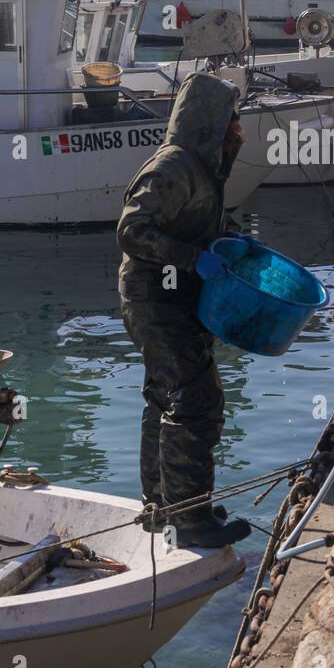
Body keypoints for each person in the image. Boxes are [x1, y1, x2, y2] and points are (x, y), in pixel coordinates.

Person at [117, 72, 251, 548]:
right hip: (154, 297)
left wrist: (228, 238)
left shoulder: (204, 165)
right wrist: (196, 259)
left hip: (177, 296)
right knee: (196, 399)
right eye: (232, 121)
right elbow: (132, 231)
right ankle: (189, 519)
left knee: (165, 396)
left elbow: (191, 222)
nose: (239, 130)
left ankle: (164, 508)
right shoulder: (173, 167)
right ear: (208, 123)